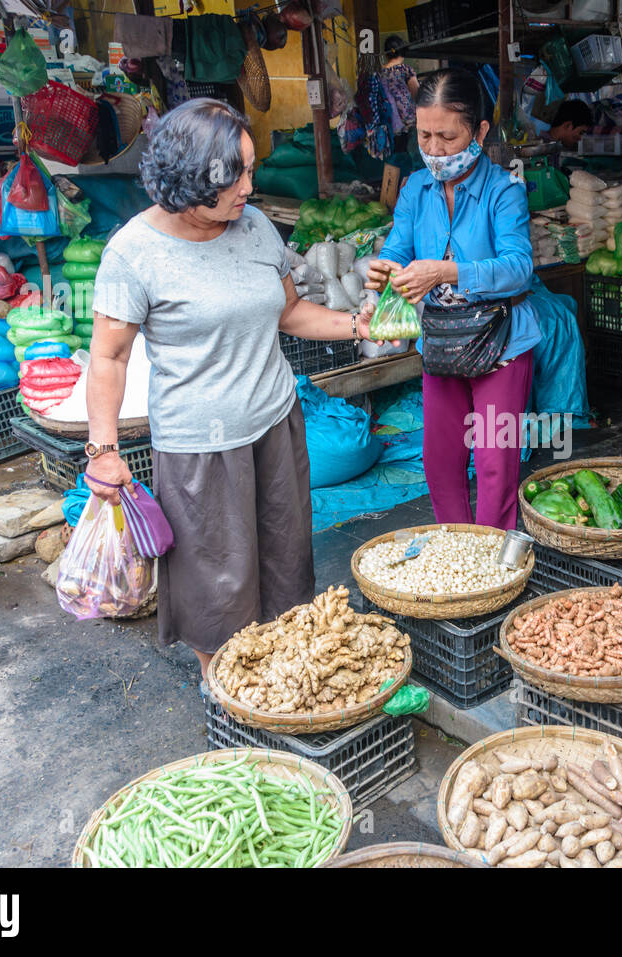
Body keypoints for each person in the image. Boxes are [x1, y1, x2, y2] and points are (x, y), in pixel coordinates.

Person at [84, 98, 379, 679]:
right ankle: (227, 689)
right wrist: (105, 449)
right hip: (199, 442)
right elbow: (109, 356)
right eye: (236, 173)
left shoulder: (254, 227)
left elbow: (290, 314)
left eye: (250, 168)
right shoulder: (134, 253)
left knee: (285, 559)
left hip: (274, 421)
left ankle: (283, 675)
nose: (250, 184)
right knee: (214, 577)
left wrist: (356, 326)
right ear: (193, 177)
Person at [364, 68, 539, 530]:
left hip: (501, 343)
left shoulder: (504, 191)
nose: (435, 149)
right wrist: (382, 276)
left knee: (493, 462)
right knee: (440, 459)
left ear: (479, 131)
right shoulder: (414, 190)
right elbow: (398, 251)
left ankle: (490, 562)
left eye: (448, 136)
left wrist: (446, 271)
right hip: (442, 340)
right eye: (425, 135)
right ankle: (455, 551)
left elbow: (520, 267)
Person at [381, 35, 420, 146]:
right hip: (407, 120)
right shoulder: (405, 69)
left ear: (386, 53)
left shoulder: (379, 72)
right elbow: (416, 93)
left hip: (388, 119)